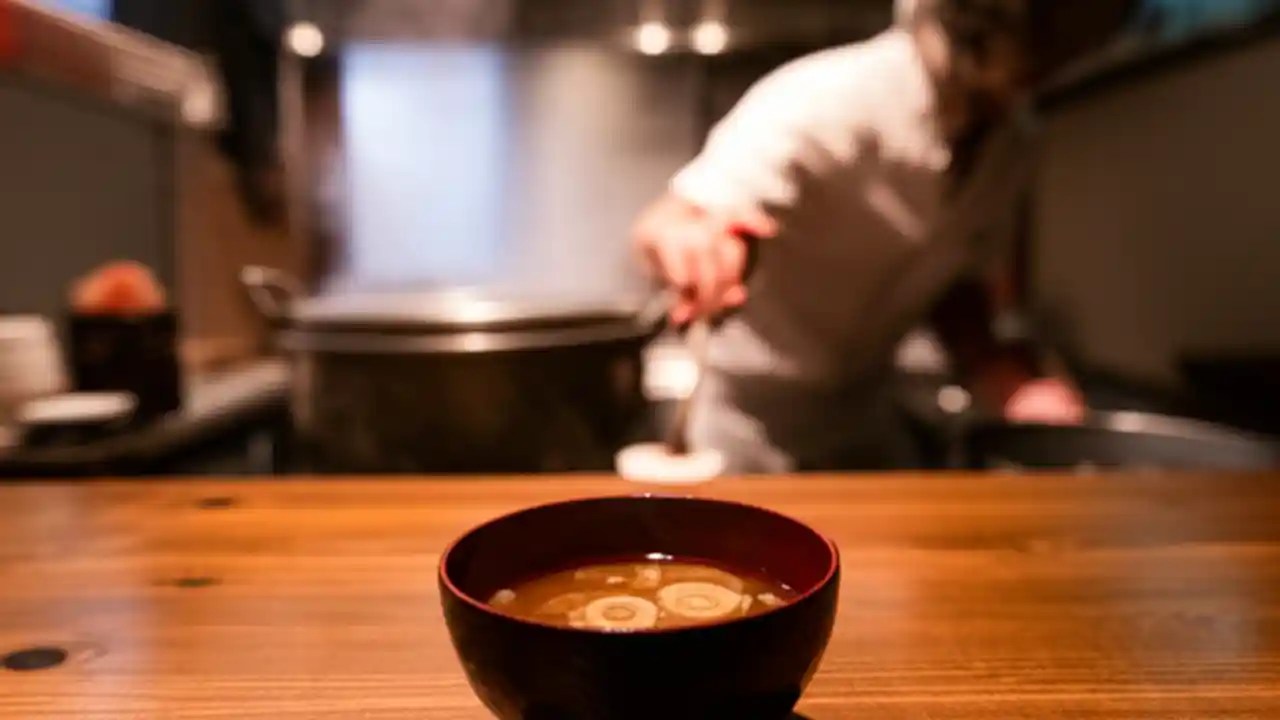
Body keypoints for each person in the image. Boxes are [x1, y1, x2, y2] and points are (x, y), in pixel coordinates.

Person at [632, 0, 1137, 473]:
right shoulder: (826, 97)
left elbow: (957, 284)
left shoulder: (1014, 144)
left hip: (865, 420)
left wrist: (1002, 377)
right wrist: (691, 244)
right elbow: (674, 220)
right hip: (747, 425)